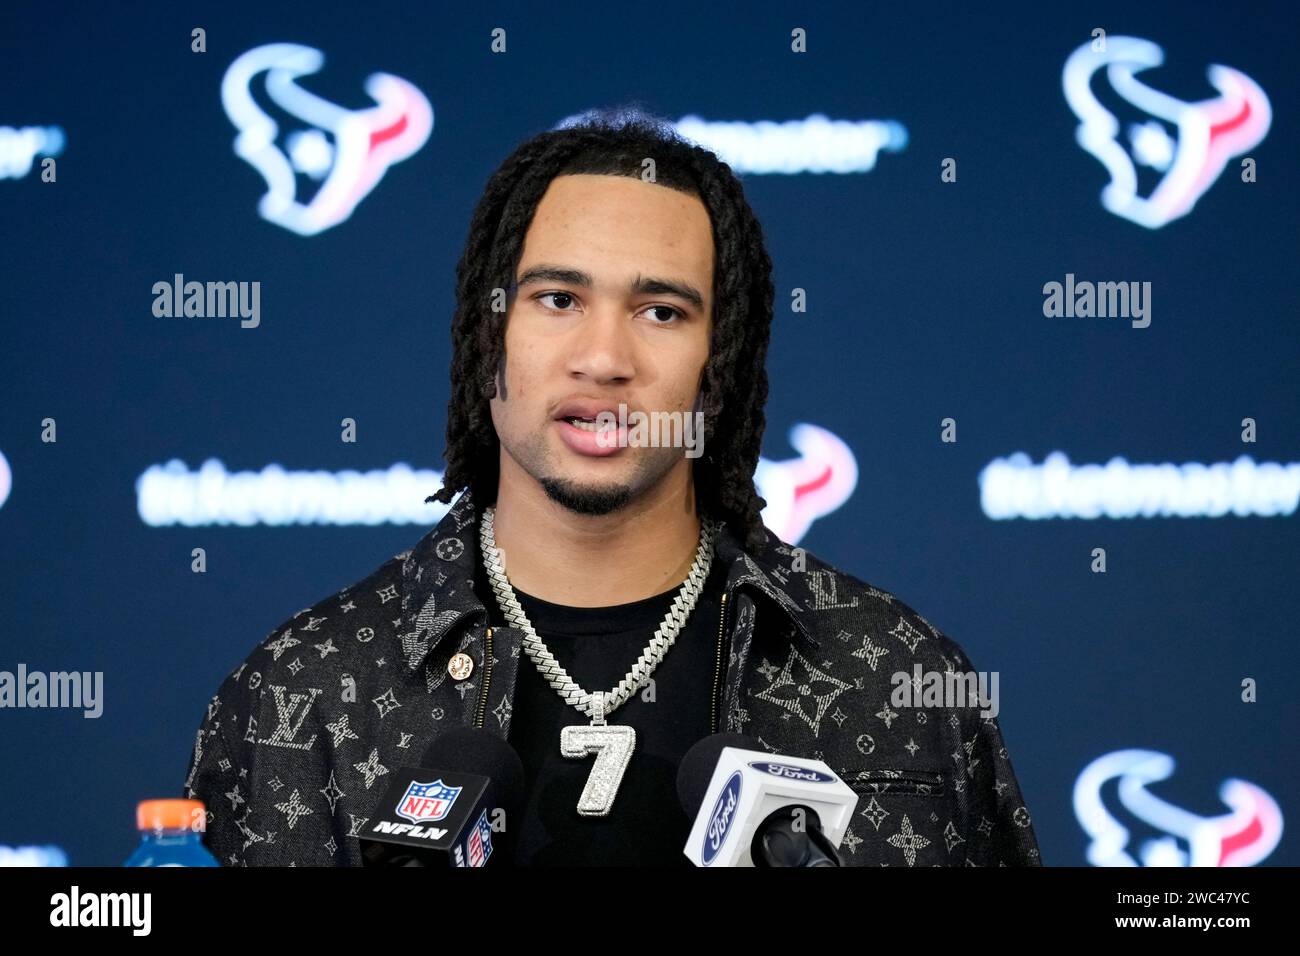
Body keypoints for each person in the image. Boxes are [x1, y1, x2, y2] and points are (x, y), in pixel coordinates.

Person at [184, 108, 1041, 867]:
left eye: (661, 311)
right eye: (558, 299)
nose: (604, 359)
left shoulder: (891, 673)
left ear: (721, 365)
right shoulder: (302, 691)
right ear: (490, 338)